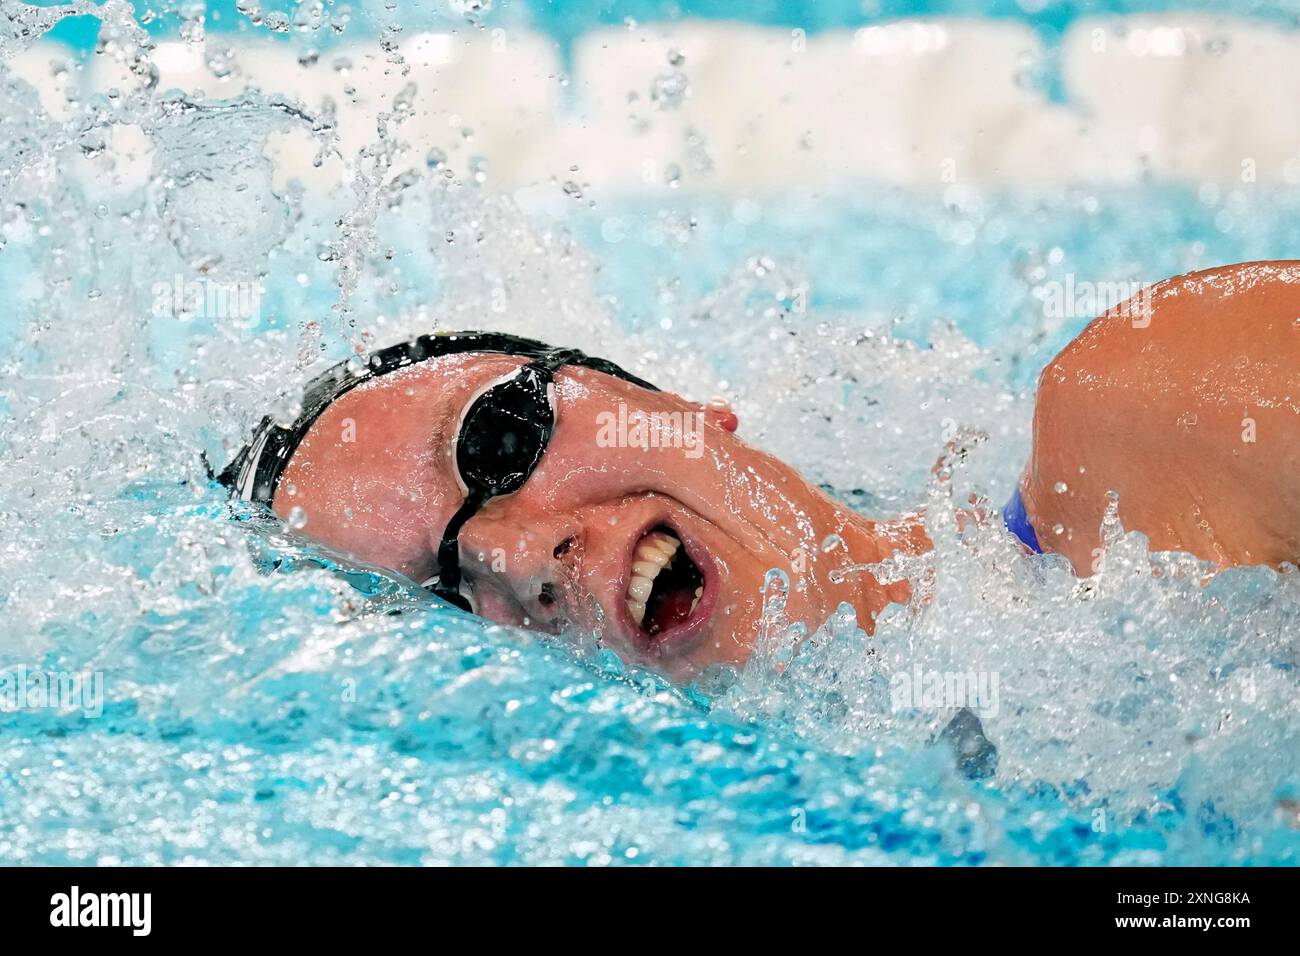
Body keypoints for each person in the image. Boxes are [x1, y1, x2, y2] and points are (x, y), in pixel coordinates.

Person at [220, 260, 1300, 683]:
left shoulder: (1148, 415)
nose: (510, 559)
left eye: (494, 439)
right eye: (435, 594)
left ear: (681, 407)